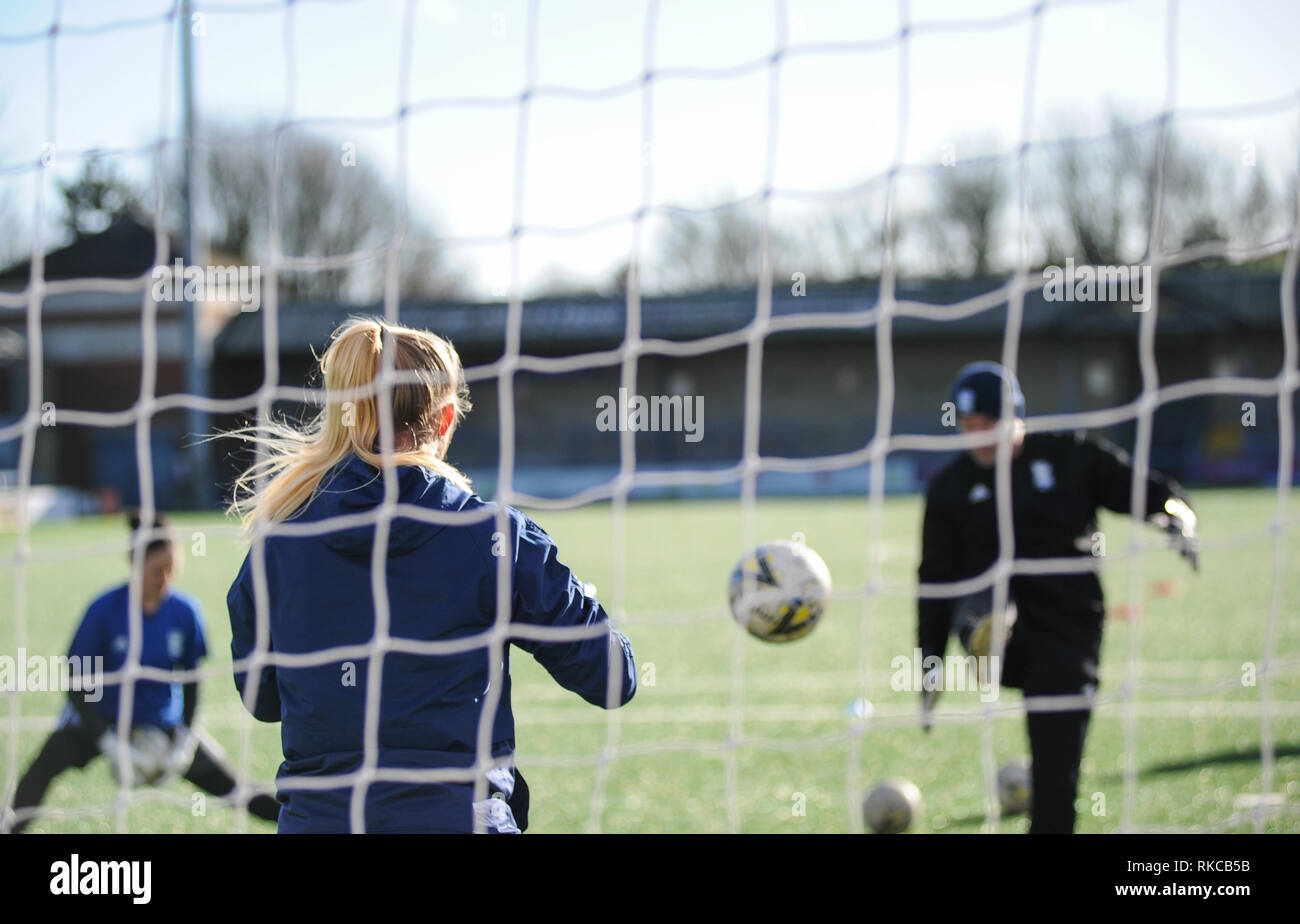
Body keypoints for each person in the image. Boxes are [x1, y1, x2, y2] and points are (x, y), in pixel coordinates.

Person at [223, 316, 636, 834]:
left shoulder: (277, 541)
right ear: (443, 421)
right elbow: (612, 677)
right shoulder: (496, 538)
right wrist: (581, 603)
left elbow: (262, 698)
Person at [917, 361, 1199, 833]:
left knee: (1055, 777)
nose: (978, 437)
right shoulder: (950, 488)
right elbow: (934, 584)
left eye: (987, 425)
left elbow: (1142, 489)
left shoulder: (1069, 456)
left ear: (1014, 417)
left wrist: (1176, 514)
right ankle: (990, 635)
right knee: (977, 594)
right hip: (996, 634)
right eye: (968, 427)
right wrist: (929, 663)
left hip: (1069, 634)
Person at [4, 511, 280, 833]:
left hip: (162, 726)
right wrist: (105, 739)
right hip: (104, 721)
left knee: (231, 785)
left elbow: (191, 680)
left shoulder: (185, 612)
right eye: (156, 570)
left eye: (170, 568)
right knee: (45, 764)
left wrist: (185, 737)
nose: (164, 578)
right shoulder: (104, 611)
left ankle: (301, 823)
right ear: (136, 564)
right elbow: (79, 682)